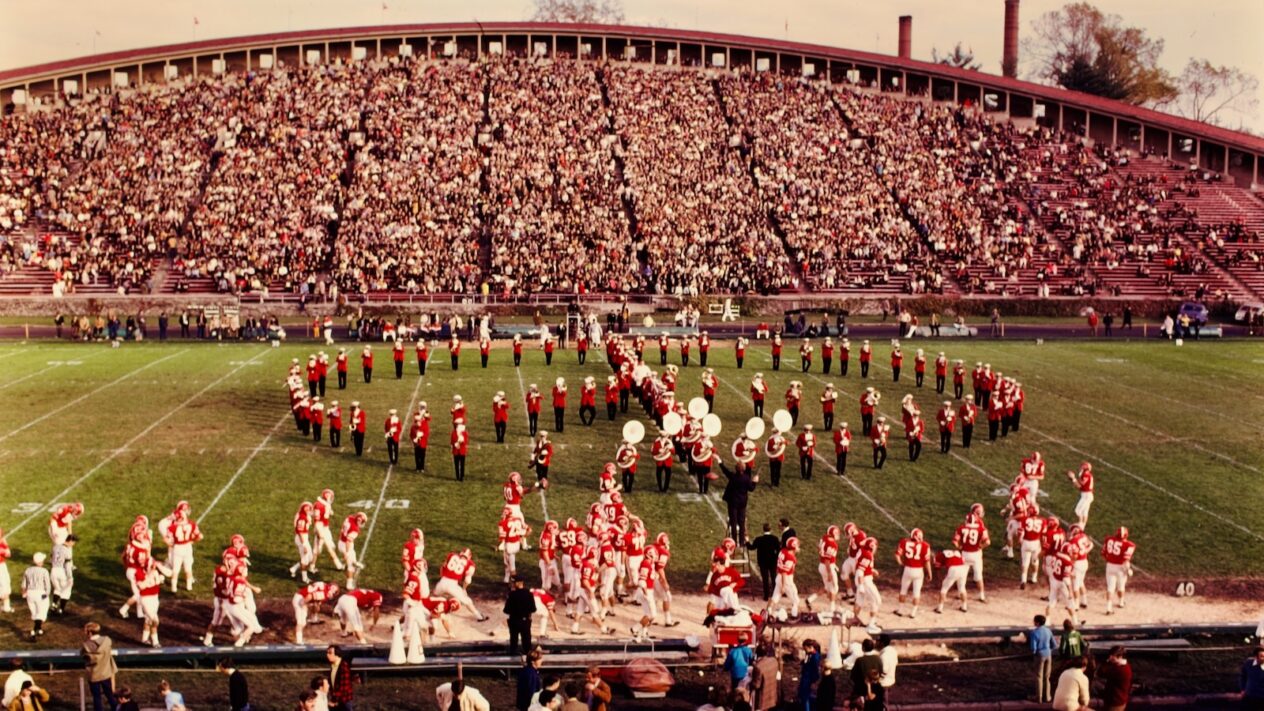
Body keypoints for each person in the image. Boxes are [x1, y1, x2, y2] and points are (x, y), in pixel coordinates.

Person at [81, 622, 118, 711]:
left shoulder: (86, 645)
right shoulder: (107, 640)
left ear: (90, 632)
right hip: (106, 672)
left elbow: (85, 657)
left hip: (94, 675)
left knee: (96, 697)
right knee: (110, 694)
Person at [504, 576, 536, 659]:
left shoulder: (512, 595)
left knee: (513, 641)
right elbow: (533, 609)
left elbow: (506, 610)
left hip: (514, 621)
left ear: (517, 583)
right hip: (525, 621)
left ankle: (512, 659)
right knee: (527, 641)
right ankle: (529, 659)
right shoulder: (529, 594)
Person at [746, 524, 780, 601]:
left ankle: (766, 596)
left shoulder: (759, 539)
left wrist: (747, 541)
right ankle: (775, 596)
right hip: (772, 562)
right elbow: (779, 550)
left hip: (763, 562)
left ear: (763, 529)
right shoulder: (775, 539)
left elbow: (751, 547)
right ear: (770, 530)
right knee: (774, 578)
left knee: (765, 579)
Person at [21, 553, 51, 639]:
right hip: (40, 593)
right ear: (41, 561)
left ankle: (39, 629)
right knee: (41, 613)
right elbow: (48, 585)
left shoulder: (28, 570)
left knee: (34, 613)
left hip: (30, 593)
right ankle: (34, 631)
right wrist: (47, 594)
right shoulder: (44, 571)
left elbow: (23, 584)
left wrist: (24, 593)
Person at [1029, 615, 1056, 704]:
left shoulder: (1034, 632)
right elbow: (1054, 644)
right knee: (1047, 677)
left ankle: (1039, 697)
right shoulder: (1048, 631)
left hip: (1040, 655)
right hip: (1048, 654)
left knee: (1039, 676)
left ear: (1037, 622)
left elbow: (1033, 648)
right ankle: (1047, 697)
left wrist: (1033, 653)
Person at [1098, 645, 1132, 711]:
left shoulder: (1119, 670)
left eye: (1112, 656)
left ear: (1119, 657)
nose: (1110, 658)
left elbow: (1101, 673)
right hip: (1118, 700)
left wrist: (1106, 662)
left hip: (1115, 702)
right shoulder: (1124, 666)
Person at [749, 643, 779, 711]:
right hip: (772, 696)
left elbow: (756, 685)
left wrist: (750, 682)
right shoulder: (774, 661)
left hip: (762, 699)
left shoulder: (758, 667)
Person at [797, 638, 822, 711]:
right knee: (802, 694)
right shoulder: (809, 654)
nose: (804, 651)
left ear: (810, 647)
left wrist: (813, 680)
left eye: (805, 649)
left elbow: (815, 669)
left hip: (808, 679)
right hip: (805, 677)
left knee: (805, 696)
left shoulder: (815, 656)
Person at [326, 645, 353, 711]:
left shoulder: (343, 666)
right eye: (327, 653)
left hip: (344, 700)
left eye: (330, 653)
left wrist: (335, 700)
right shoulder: (333, 666)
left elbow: (344, 687)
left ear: (337, 654)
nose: (327, 655)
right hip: (336, 699)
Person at [877, 633, 898, 702]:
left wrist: (875, 679)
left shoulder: (884, 656)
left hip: (883, 682)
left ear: (882, 643)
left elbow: (884, 671)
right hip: (891, 679)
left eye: (877, 641)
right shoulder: (893, 651)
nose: (876, 642)